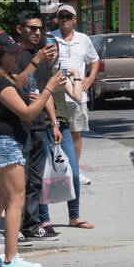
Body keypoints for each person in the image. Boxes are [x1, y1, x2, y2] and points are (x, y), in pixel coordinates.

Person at [0, 33, 64, 267]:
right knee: (15, 201)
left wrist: (34, 95)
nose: (16, 57)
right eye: (12, 54)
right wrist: (48, 90)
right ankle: (11, 258)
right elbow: (29, 114)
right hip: (5, 144)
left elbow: (20, 101)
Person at [11, 11, 61, 240]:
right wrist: (35, 61)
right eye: (33, 28)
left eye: (40, 29)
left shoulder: (40, 56)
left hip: (40, 126)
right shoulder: (13, 55)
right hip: (18, 127)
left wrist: (54, 123)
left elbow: (46, 91)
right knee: (18, 183)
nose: (38, 33)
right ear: (20, 29)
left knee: (35, 181)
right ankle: (16, 227)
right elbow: (15, 84)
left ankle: (30, 225)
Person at [36, 65, 93, 232]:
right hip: (43, 126)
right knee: (44, 176)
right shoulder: (36, 72)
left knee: (74, 174)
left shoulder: (58, 73)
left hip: (63, 127)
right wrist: (53, 124)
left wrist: (76, 75)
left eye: (54, 49)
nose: (51, 52)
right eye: (48, 48)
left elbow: (77, 96)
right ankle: (44, 220)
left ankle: (74, 217)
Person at [50, 4, 100, 184]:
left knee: (75, 134)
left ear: (74, 19)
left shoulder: (84, 39)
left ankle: (74, 171)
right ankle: (56, 172)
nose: (64, 20)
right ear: (57, 19)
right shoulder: (50, 38)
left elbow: (94, 60)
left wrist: (90, 78)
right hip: (54, 96)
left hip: (77, 95)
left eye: (68, 17)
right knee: (54, 134)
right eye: (61, 17)